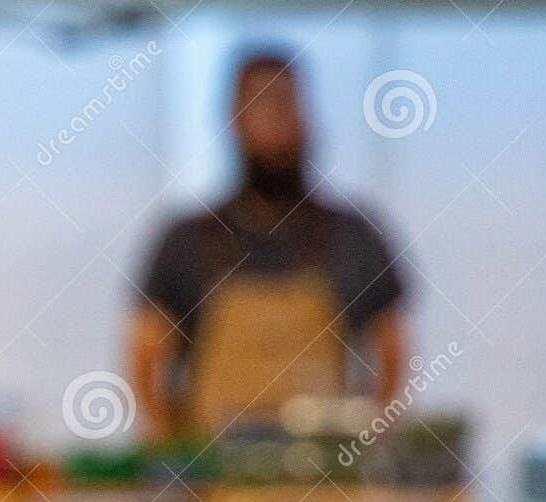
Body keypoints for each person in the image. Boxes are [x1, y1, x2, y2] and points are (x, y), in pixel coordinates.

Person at [130, 50, 407, 442]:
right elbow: (144, 358)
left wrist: (369, 444)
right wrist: (174, 455)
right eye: (260, 104)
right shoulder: (186, 240)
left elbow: (394, 351)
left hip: (324, 481)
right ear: (234, 119)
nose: (276, 119)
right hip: (216, 485)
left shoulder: (353, 236)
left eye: (286, 102)